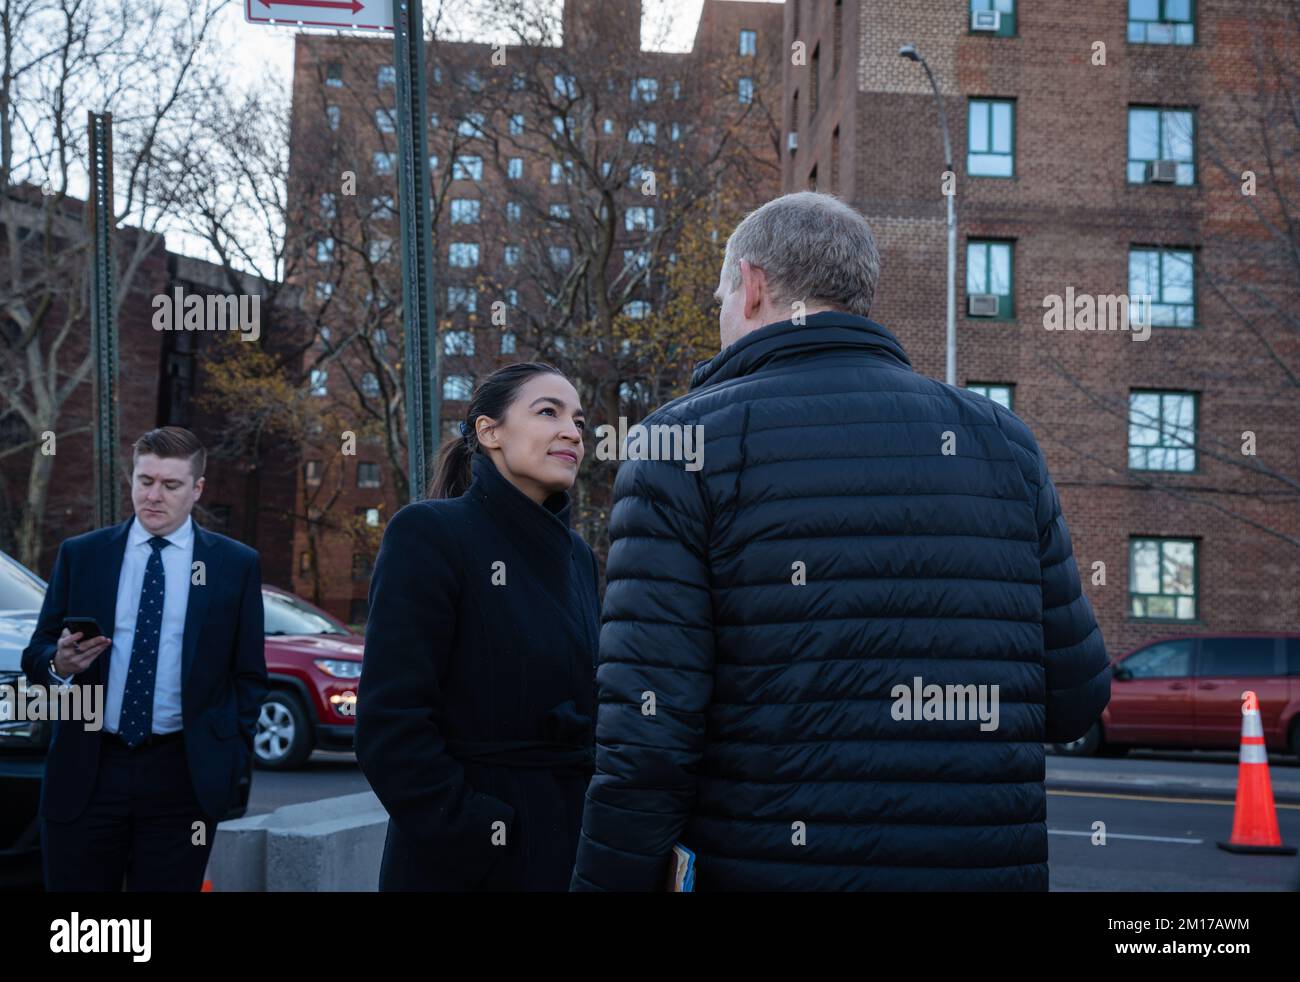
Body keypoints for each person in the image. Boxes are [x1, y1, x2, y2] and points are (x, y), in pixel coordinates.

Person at [571, 192, 1111, 891]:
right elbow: (1074, 698)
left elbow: (648, 743)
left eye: (721, 297)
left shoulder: (680, 448)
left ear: (755, 286)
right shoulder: (1005, 443)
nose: (721, 317)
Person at [356, 362, 600, 891]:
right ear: (489, 432)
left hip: (569, 852)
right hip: (469, 863)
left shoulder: (578, 557)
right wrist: (478, 829)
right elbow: (391, 725)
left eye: (579, 421)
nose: (572, 432)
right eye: (548, 412)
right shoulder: (429, 533)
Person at [21, 426, 267, 891]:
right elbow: (37, 653)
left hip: (183, 776)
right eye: (144, 480)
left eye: (170, 485)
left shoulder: (234, 565)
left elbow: (249, 674)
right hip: (89, 770)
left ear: (197, 490)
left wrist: (230, 747)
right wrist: (60, 666)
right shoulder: (84, 555)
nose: (153, 496)